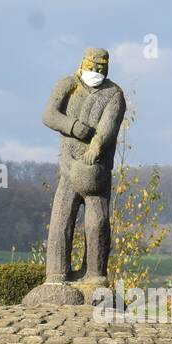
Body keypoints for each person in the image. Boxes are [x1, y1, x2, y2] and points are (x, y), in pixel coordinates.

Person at [40, 47, 126, 284]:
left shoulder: (114, 94)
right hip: (68, 167)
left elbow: (109, 125)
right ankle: (57, 274)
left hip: (97, 171)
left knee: (97, 220)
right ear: (83, 64)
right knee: (61, 218)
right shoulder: (68, 84)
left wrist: (96, 146)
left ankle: (95, 273)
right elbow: (49, 114)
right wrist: (72, 125)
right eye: (93, 67)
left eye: (102, 68)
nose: (96, 72)